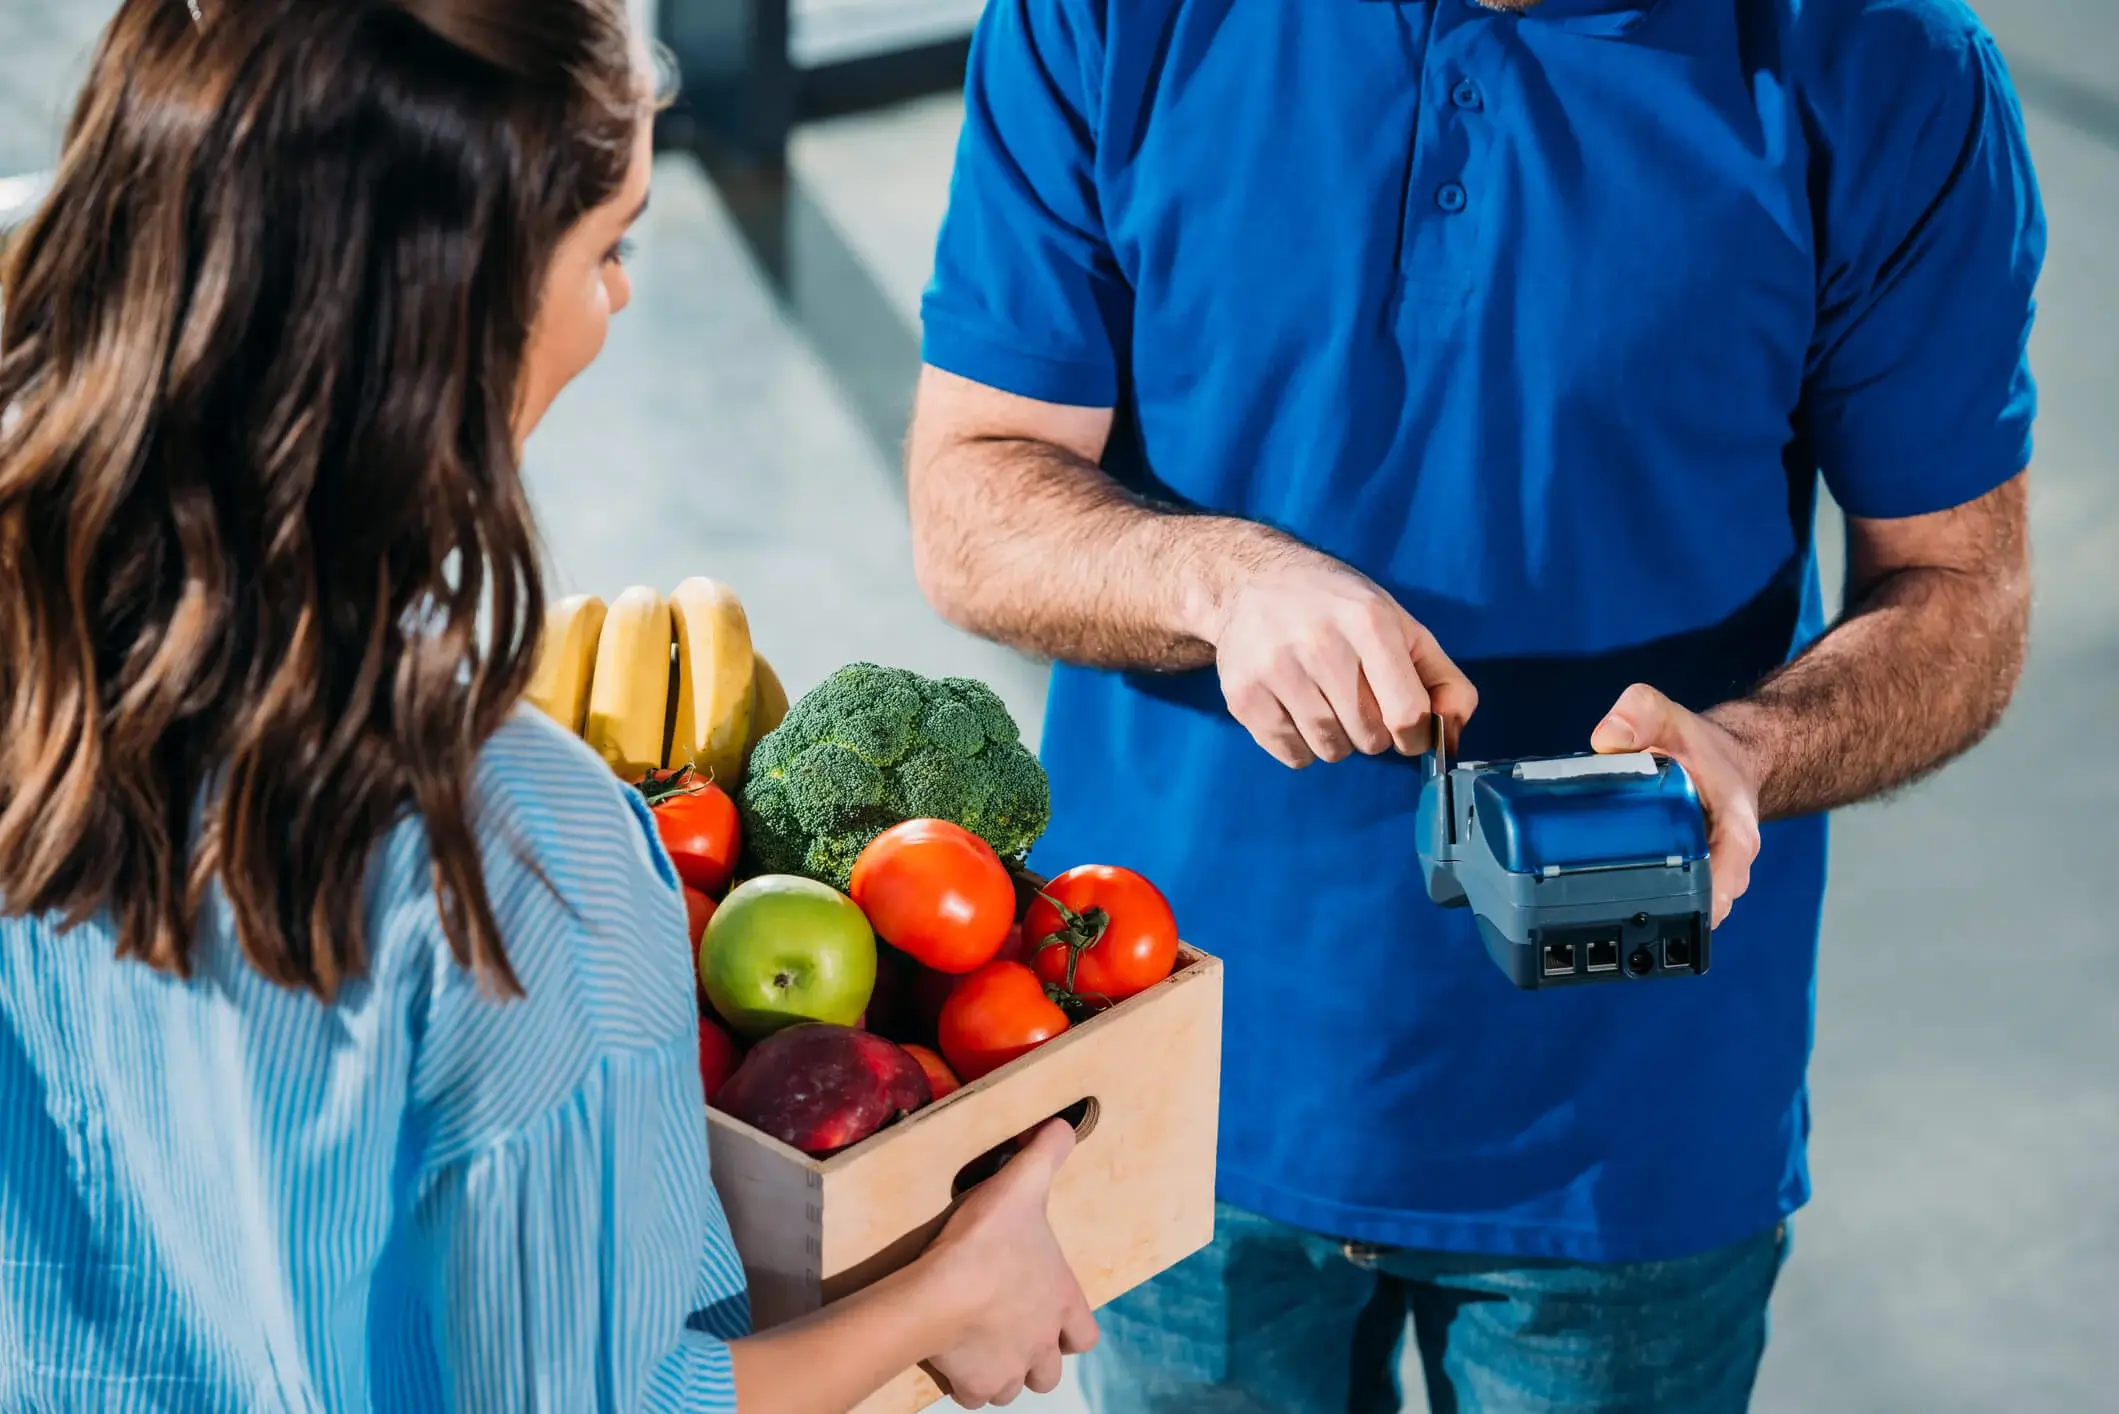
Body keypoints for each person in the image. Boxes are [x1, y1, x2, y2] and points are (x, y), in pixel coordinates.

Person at [906, 0, 2041, 1409]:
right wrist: (1214, 578)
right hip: (1159, 1075)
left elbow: (1958, 589)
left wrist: (1750, 748)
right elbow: (971, 488)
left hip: (1624, 1143)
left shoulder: (1886, 65)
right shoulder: (1104, 18)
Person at [0, 2, 1094, 1410]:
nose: (623, 297)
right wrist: (946, 1291)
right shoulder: (523, 851)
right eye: (609, 245)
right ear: (459, 308)